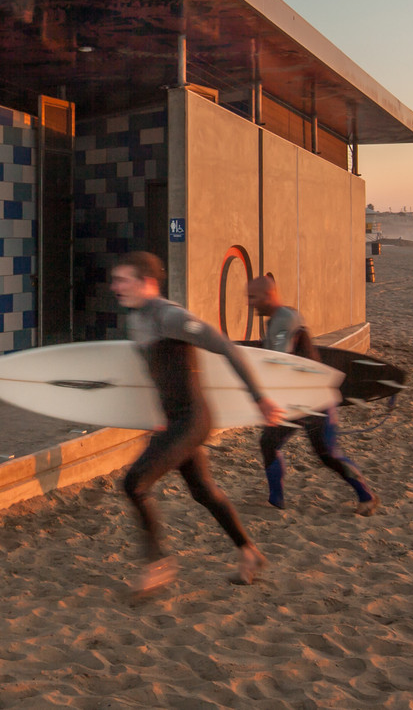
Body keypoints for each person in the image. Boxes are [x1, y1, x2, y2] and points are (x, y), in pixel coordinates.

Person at [111, 251, 282, 595]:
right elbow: (159, 376)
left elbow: (227, 348)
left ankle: (159, 564)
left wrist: (259, 397)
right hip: (174, 420)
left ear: (146, 282)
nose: (115, 286)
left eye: (122, 279)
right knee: (202, 490)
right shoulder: (137, 319)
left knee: (134, 484)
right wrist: (156, 419)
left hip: (193, 420)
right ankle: (248, 552)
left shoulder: (171, 316)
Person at [249, 275, 379, 515]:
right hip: (294, 398)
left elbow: (278, 360)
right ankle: (276, 501)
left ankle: (366, 495)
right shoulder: (276, 321)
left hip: (315, 399)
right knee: (268, 443)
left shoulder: (286, 319)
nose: (249, 303)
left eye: (252, 297)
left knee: (327, 454)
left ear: (267, 296)